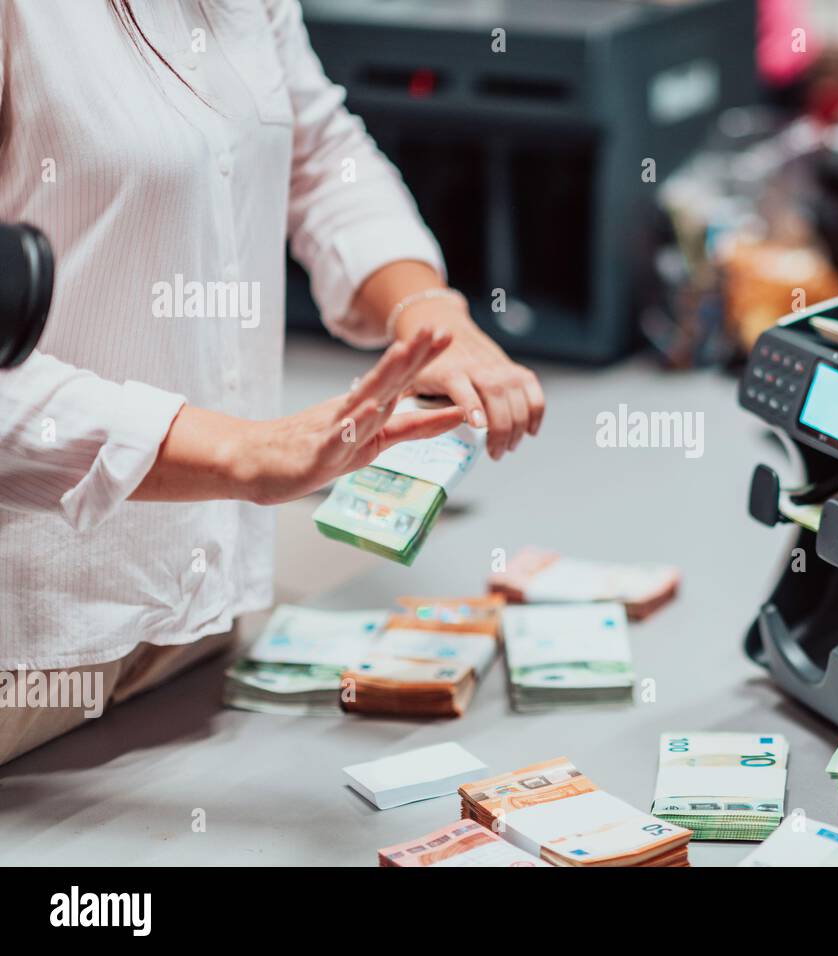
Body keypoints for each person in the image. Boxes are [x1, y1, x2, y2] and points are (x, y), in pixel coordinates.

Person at [0, 0, 544, 764]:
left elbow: (320, 153)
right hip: (27, 650)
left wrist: (429, 313)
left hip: (196, 621)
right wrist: (242, 454)